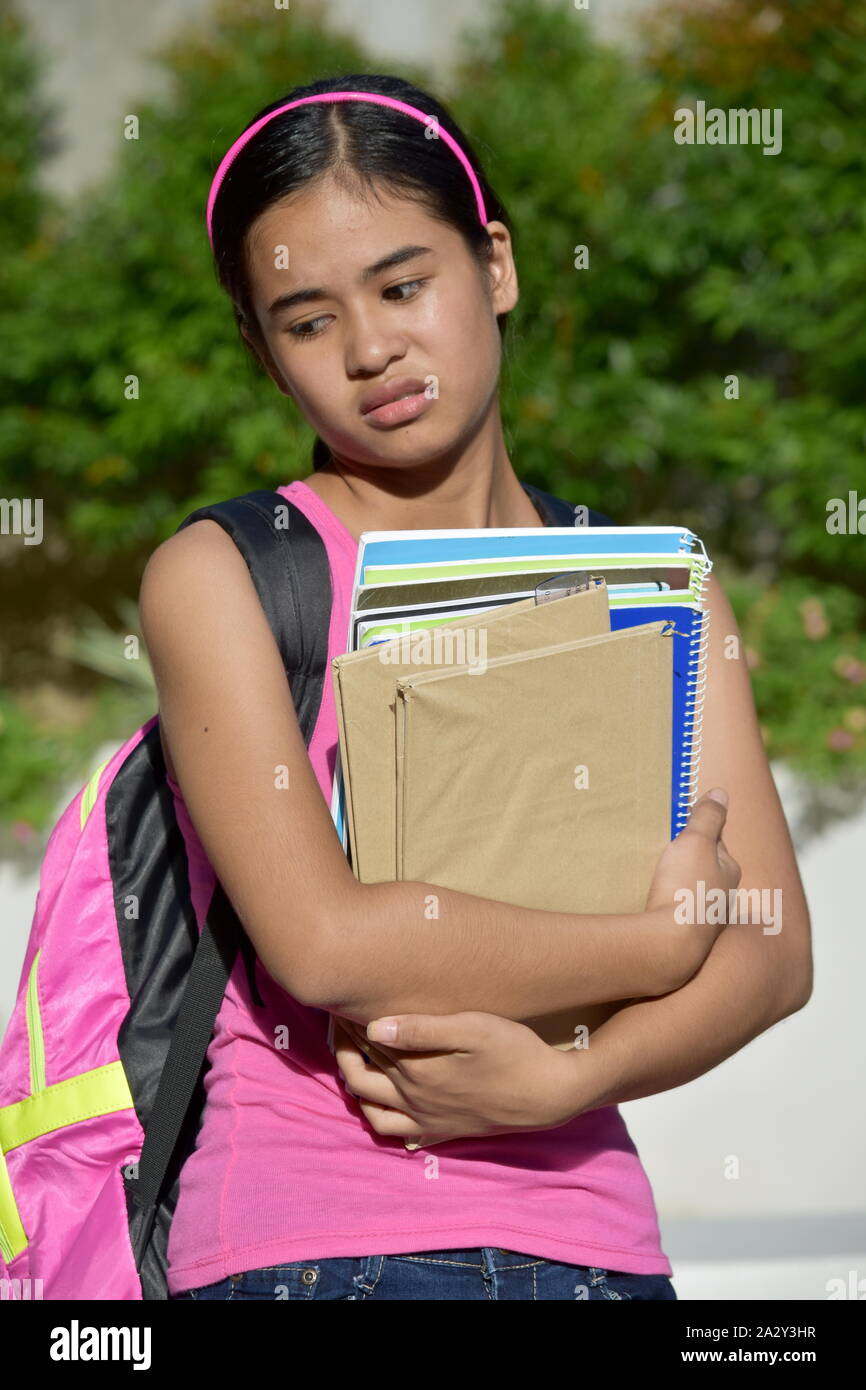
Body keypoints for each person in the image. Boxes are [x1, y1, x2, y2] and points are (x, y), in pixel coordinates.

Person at [139, 73, 812, 1302]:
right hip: (305, 1249)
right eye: (305, 318)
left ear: (494, 265)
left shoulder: (656, 582)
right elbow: (330, 940)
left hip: (594, 1247)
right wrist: (658, 941)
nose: (370, 347)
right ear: (260, 349)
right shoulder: (223, 575)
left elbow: (771, 952)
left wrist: (562, 1081)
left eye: (404, 284)